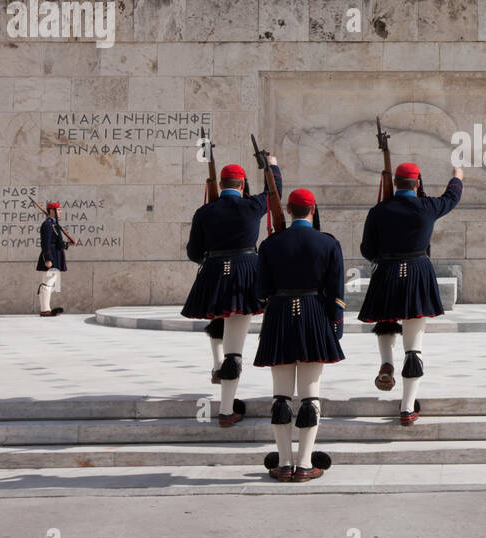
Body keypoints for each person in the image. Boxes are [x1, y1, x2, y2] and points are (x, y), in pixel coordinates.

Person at [358, 162, 463, 425]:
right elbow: (452, 198)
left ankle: (386, 364)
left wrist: (384, 258)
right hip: (417, 270)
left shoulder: (378, 211)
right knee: (413, 348)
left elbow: (367, 249)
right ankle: (406, 408)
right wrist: (457, 178)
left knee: (386, 319)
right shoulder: (427, 207)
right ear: (418, 184)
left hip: (388, 270)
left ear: (395, 184)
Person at [253, 188, 345, 483]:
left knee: (281, 396)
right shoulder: (327, 243)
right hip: (315, 315)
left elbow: (260, 291)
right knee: (310, 395)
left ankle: (282, 463)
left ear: (289, 211)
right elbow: (336, 291)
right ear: (313, 209)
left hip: (279, 314)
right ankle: (305, 464)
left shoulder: (270, 244)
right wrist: (335, 325)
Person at [182, 159, 282, 427]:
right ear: (241, 184)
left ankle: (217, 367)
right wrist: (272, 167)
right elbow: (275, 193)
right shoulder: (252, 206)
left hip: (214, 273)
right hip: (245, 275)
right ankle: (226, 410)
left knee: (219, 319)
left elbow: (193, 253)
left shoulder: (204, 212)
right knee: (234, 349)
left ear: (220, 185)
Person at [36, 201, 68, 317]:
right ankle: (45, 310)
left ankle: (46, 308)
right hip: (51, 256)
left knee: (50, 283)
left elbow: (57, 242)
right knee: (47, 283)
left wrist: (67, 244)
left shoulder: (54, 224)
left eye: (60, 210)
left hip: (56, 255)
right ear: (51, 211)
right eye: (58, 210)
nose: (60, 212)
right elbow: (46, 243)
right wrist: (48, 259)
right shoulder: (47, 225)